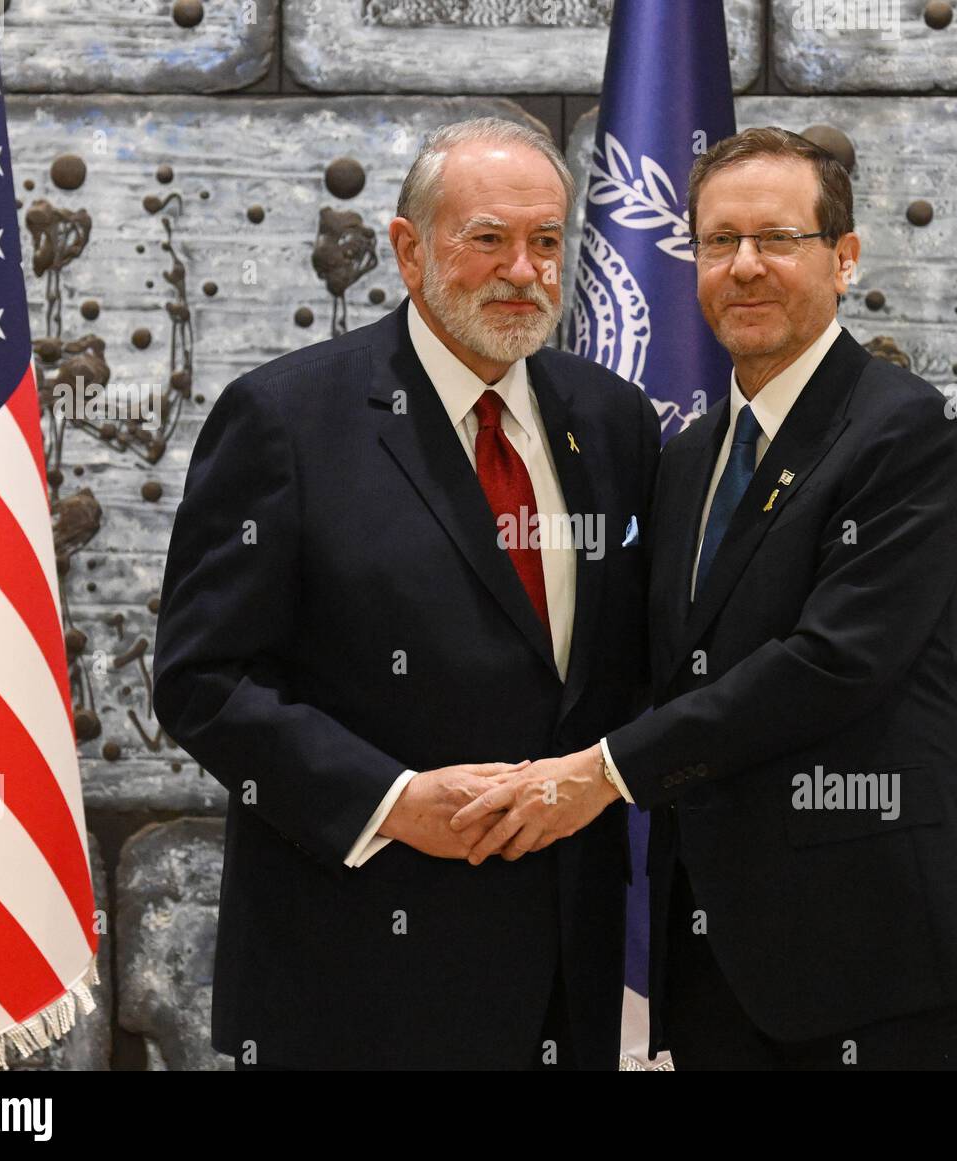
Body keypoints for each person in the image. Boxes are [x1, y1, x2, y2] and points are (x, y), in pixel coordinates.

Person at [455, 126, 957, 1070]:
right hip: (712, 963)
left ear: (843, 258)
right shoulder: (686, 457)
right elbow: (659, 668)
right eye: (719, 242)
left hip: (879, 960)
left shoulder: (904, 431)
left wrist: (596, 773)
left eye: (779, 239)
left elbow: (830, 665)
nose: (746, 267)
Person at [151, 117, 659, 1069]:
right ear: (407, 249)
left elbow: (624, 662)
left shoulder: (612, 418)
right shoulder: (285, 420)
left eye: (547, 242)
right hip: (356, 982)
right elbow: (200, 679)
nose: (524, 270)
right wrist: (390, 799)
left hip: (570, 978)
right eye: (489, 239)